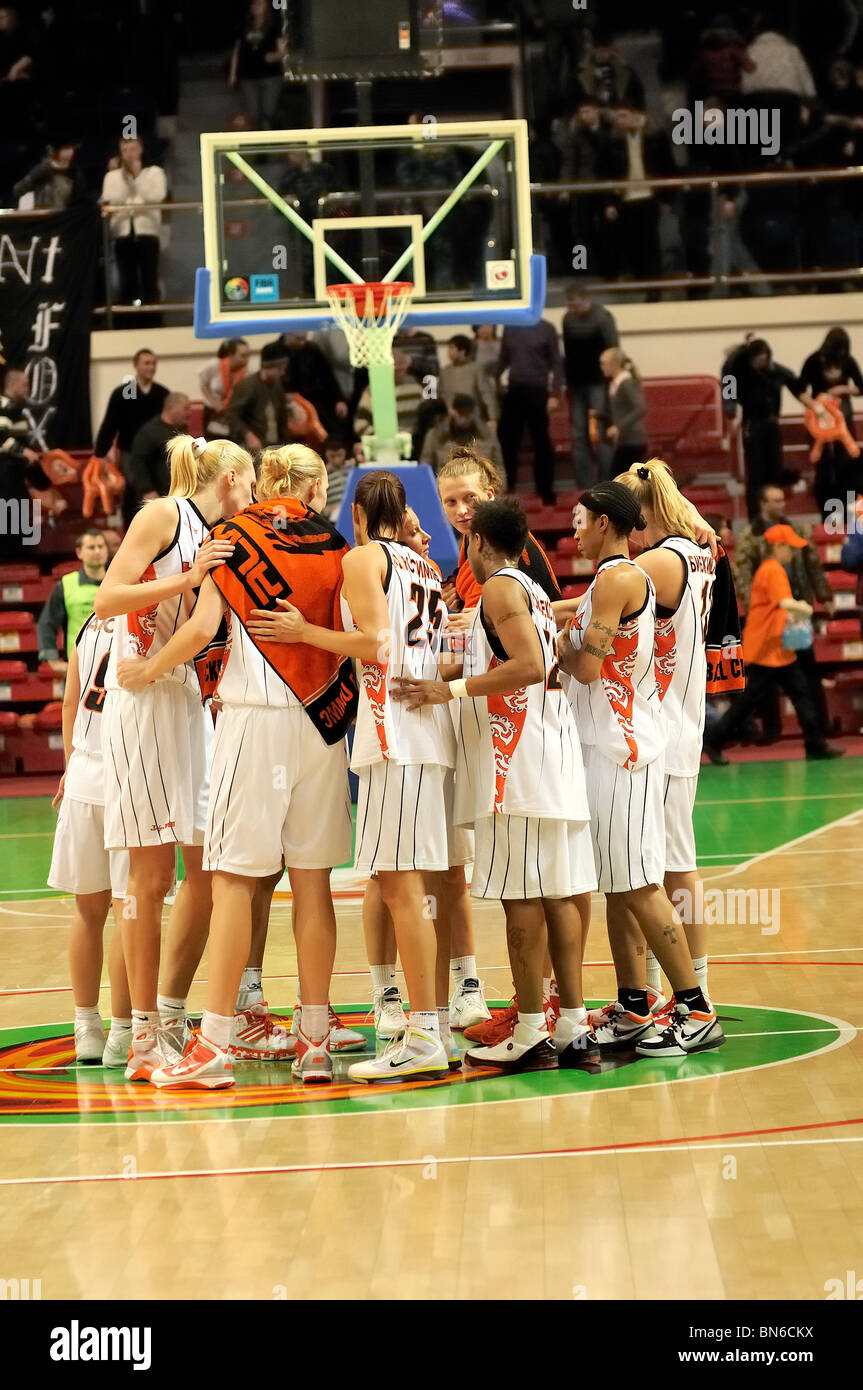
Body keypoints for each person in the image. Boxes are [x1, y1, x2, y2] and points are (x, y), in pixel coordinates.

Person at [118, 444, 359, 1088]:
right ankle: (314, 1039)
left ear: (262, 483)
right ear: (310, 487)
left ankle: (216, 1041)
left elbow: (201, 628)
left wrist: (149, 666)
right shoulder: (336, 542)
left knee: (231, 883)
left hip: (256, 719)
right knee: (313, 885)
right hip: (324, 724)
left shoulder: (235, 535)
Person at [258, 471, 457, 1082]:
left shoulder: (366, 557)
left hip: (392, 735)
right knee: (412, 886)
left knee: (400, 887)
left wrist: (303, 633)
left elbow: (375, 645)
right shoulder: (425, 567)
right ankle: (435, 1023)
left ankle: (423, 1031)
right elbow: (442, 655)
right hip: (426, 732)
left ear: (359, 517)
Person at [393, 499, 598, 1073]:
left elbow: (529, 665)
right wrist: (437, 670)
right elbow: (488, 658)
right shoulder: (528, 589)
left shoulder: (503, 590)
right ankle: (572, 1023)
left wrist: (446, 694)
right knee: (557, 893)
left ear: (479, 541)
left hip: (518, 765)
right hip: (546, 757)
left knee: (523, 902)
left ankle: (531, 1028)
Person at [94, 434, 256, 1082]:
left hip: (187, 701)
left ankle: (169, 1013)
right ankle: (139, 1037)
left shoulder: (212, 535)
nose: (249, 496)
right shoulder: (163, 514)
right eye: (247, 484)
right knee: (149, 880)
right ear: (229, 480)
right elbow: (108, 598)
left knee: (212, 868)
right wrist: (189, 576)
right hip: (144, 699)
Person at [559, 481, 724, 1057]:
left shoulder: (620, 578)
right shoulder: (608, 581)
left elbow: (585, 667)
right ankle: (635, 1005)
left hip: (624, 750)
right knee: (619, 888)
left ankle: (696, 1007)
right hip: (607, 746)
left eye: (579, 520)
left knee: (641, 886)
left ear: (605, 522)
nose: (571, 530)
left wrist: (541, 643)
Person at [616, 459, 718, 1010]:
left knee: (673, 864)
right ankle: (671, 983)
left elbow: (600, 604)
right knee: (658, 864)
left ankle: (696, 987)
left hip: (667, 725)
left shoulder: (658, 560)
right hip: (680, 719)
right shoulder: (697, 548)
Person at [48, 612, 132, 1065]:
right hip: (128, 779)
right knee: (128, 911)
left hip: (83, 774)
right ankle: (122, 1032)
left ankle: (86, 1025)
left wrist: (69, 765)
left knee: (88, 911)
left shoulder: (88, 625)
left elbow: (68, 704)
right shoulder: (147, 618)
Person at [704, 525, 844, 764]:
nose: (792, 552)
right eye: (789, 547)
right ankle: (715, 739)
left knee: (799, 693)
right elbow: (785, 603)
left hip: (777, 647)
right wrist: (807, 608)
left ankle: (815, 742)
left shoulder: (772, 569)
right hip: (768, 647)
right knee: (755, 699)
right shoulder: (773, 570)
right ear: (778, 547)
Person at [735, 484, 833, 738]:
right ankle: (773, 728)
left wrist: (824, 595)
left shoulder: (796, 529)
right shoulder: (751, 536)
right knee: (771, 680)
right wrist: (754, 611)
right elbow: (744, 576)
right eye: (775, 500)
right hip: (773, 615)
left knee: (806, 673)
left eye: (782, 500)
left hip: (795, 613)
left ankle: (819, 728)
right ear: (763, 503)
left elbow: (812, 564)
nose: (781, 505)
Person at [436, 448, 561, 619]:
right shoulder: (472, 533)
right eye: (451, 502)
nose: (461, 510)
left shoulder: (497, 541)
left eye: (470, 498)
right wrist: (458, 590)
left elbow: (491, 618)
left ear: (489, 495)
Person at [722, 338, 825, 516]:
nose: (762, 363)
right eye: (758, 359)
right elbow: (728, 377)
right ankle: (756, 518)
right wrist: (729, 409)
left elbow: (798, 389)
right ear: (750, 359)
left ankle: (775, 512)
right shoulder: (740, 372)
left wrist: (817, 407)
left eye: (765, 359)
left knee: (774, 472)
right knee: (756, 474)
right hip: (752, 426)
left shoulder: (776, 372)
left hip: (772, 425)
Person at [93, 349, 169, 523]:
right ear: (136, 366)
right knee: (132, 493)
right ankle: (130, 531)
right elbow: (110, 424)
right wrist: (100, 454)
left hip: (157, 454)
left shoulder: (162, 393)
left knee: (158, 492)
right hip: (130, 452)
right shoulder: (125, 392)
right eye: (147, 363)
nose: (151, 367)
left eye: (154, 363)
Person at [496, 319, 564, 503]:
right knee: (507, 439)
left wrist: (555, 394)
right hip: (514, 388)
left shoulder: (547, 328)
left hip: (538, 389)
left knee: (541, 441)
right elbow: (503, 358)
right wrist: (492, 379)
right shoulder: (510, 326)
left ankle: (545, 490)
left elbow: (557, 363)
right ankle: (508, 486)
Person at [798, 327, 863, 509]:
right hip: (820, 414)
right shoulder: (814, 361)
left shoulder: (848, 361)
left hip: (842, 413)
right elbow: (801, 390)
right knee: (823, 462)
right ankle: (826, 507)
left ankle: (848, 505)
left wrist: (842, 389)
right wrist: (815, 406)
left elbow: (860, 387)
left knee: (847, 461)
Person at [562, 286, 618, 486]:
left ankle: (608, 480)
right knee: (578, 435)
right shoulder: (568, 319)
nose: (572, 308)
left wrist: (612, 381)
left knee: (601, 433)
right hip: (576, 384)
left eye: (575, 303)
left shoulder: (602, 318)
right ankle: (583, 482)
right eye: (569, 304)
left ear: (585, 299)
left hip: (598, 383)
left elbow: (613, 350)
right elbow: (568, 353)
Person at [101, 137, 167, 306]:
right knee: (127, 280)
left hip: (147, 231)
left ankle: (153, 320)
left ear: (141, 150)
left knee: (149, 279)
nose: (129, 154)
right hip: (122, 233)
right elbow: (113, 199)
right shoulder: (112, 176)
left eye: (133, 149)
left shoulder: (154, 172)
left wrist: (137, 178)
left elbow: (156, 197)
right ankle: (127, 323)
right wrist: (125, 179)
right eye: (125, 150)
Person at [37, 529, 108, 674]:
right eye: (91, 547)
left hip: (113, 668)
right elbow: (46, 623)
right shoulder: (66, 584)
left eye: (101, 546)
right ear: (79, 552)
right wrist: (53, 661)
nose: (97, 551)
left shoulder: (118, 582)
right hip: (78, 669)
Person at [227, 0, 285, 130]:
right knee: (253, 113)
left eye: (260, 5)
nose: (257, 8)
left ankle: (271, 135)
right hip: (248, 75)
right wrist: (232, 74)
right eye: (254, 4)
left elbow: (283, 49)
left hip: (270, 74)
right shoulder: (244, 26)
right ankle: (257, 142)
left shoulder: (274, 25)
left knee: (269, 110)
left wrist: (274, 56)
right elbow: (237, 50)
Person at [126, 393, 190, 508]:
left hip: (180, 496)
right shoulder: (148, 433)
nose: (189, 413)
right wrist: (148, 491)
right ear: (171, 407)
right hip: (158, 497)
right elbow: (137, 463)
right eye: (186, 408)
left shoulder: (181, 431)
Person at [354, 350, 423, 451]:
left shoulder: (416, 387)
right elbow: (360, 423)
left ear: (406, 366)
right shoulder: (374, 389)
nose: (397, 368)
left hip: (413, 445)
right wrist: (380, 438)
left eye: (401, 365)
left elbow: (425, 421)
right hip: (381, 447)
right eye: (394, 365)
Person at [226, 342, 288, 451]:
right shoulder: (247, 385)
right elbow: (232, 415)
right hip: (253, 446)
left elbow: (283, 419)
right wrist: (248, 435)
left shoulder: (278, 386)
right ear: (268, 367)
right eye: (279, 369)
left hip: (274, 446)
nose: (282, 372)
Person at [420, 394, 503, 474]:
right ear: (452, 412)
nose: (463, 419)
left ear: (474, 414)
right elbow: (424, 469)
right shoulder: (435, 436)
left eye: (467, 415)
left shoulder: (488, 436)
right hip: (445, 486)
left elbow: (499, 470)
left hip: (478, 486)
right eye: (460, 414)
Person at [599, 346, 647, 476]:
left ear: (614, 365)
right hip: (625, 440)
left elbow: (640, 407)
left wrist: (619, 427)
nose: (601, 367)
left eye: (604, 364)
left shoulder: (626, 383)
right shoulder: (615, 383)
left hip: (633, 440)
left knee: (618, 478)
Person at [439, 335, 498, 423]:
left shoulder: (476, 369)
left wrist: (493, 418)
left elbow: (487, 394)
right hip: (450, 421)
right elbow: (441, 395)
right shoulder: (445, 371)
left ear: (462, 351)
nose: (448, 352)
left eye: (452, 348)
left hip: (473, 420)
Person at [198, 339, 250, 438]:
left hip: (234, 413)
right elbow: (203, 385)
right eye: (243, 355)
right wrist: (214, 403)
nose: (247, 359)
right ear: (231, 355)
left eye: (248, 355)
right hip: (212, 411)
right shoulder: (213, 366)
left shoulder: (248, 371)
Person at [13, 141, 87, 209]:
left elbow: (80, 199)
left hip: (66, 217)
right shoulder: (43, 169)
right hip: (45, 217)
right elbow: (17, 190)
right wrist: (36, 175)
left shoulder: (75, 172)